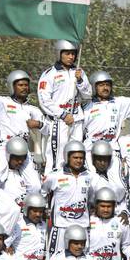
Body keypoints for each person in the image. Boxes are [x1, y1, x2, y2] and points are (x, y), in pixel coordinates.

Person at [37, 40, 92, 169]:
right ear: (59, 54)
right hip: (59, 122)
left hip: (77, 120)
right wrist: (63, 115)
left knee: (76, 154)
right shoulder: (49, 74)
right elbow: (44, 100)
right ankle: (51, 184)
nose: (71, 57)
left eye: (73, 54)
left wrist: (80, 81)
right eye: (67, 53)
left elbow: (88, 95)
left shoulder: (79, 72)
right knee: (58, 157)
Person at [41, 140, 95, 255]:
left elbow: (91, 198)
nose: (79, 161)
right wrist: (45, 208)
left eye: (81, 158)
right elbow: (42, 192)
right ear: (67, 157)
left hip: (82, 227)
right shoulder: (54, 176)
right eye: (75, 157)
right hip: (61, 228)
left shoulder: (89, 176)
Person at [0, 138, 41, 209]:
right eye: (17, 158)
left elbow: (34, 188)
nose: (20, 162)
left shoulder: (23, 176)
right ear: (9, 156)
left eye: (23, 158)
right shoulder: (3, 178)